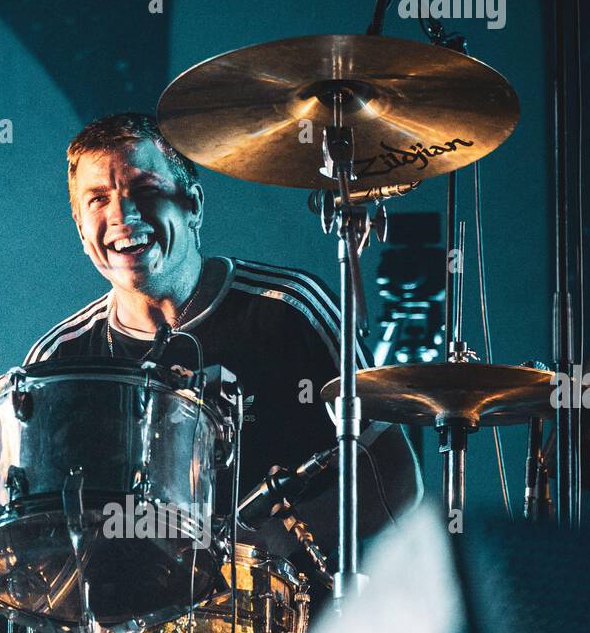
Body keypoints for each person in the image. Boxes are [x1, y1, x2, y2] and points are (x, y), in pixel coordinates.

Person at [25, 111, 422, 571]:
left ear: (193, 204)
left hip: (294, 619)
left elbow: (395, 480)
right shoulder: (57, 364)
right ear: (80, 228)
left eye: (146, 190)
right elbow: (39, 543)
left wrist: (270, 546)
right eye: (98, 199)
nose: (121, 214)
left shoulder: (290, 308)